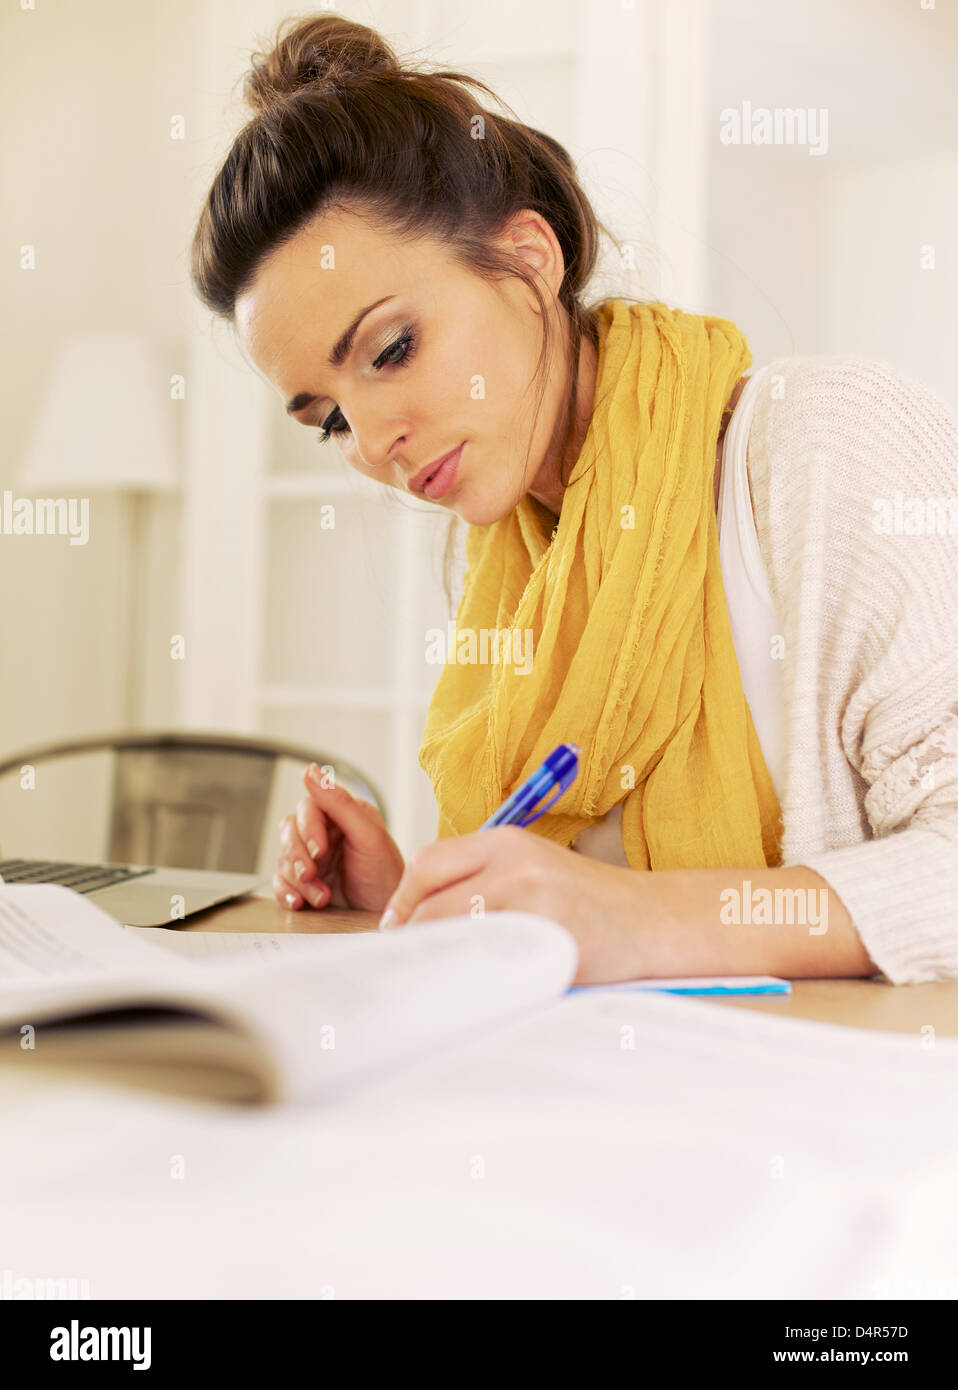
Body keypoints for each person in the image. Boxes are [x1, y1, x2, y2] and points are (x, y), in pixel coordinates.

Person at [189, 14, 958, 986]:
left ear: (528, 259)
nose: (372, 440)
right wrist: (421, 898)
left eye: (389, 350)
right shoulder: (519, 570)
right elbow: (580, 905)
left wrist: (640, 917)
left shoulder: (825, 443)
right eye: (328, 420)